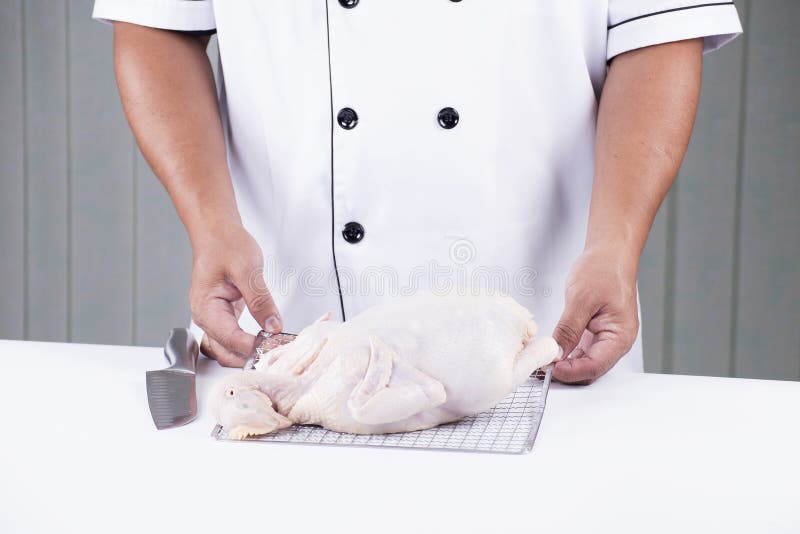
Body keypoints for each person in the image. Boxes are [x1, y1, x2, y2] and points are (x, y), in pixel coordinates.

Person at [94, 1, 742, 384]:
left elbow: (657, 33)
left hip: (544, 328)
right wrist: (211, 226)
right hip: (288, 334)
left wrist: (616, 246)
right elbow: (155, 24)